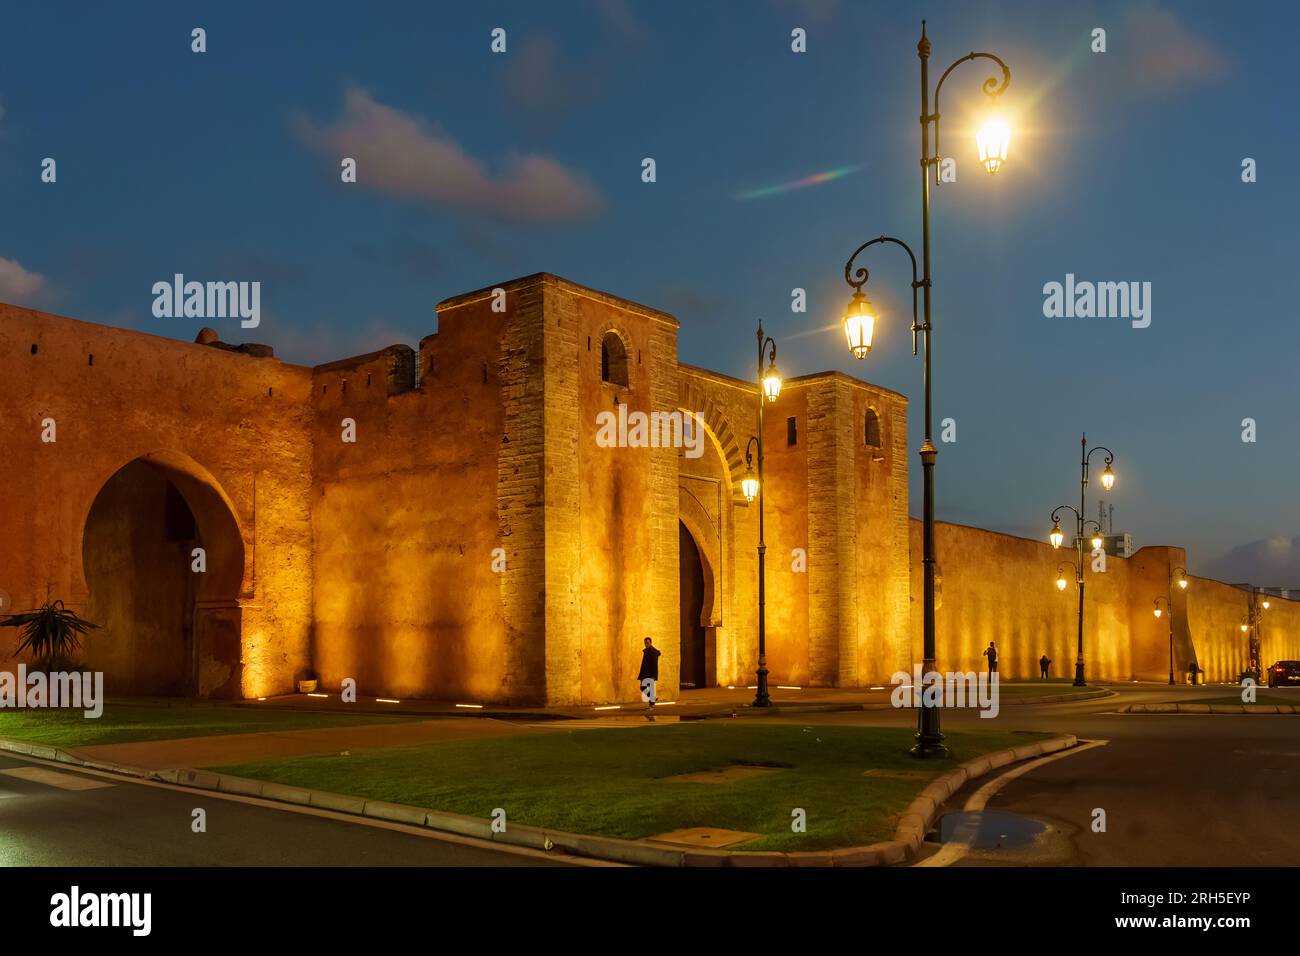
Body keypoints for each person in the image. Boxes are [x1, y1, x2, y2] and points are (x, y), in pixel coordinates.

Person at [638, 636, 661, 719]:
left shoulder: (652, 651)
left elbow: (654, 665)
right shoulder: (646, 651)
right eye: (645, 643)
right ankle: (653, 698)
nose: (646, 644)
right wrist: (641, 675)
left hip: (651, 674)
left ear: (650, 643)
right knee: (642, 687)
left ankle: (652, 705)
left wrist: (653, 676)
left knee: (649, 688)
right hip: (645, 673)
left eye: (647, 643)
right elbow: (643, 665)